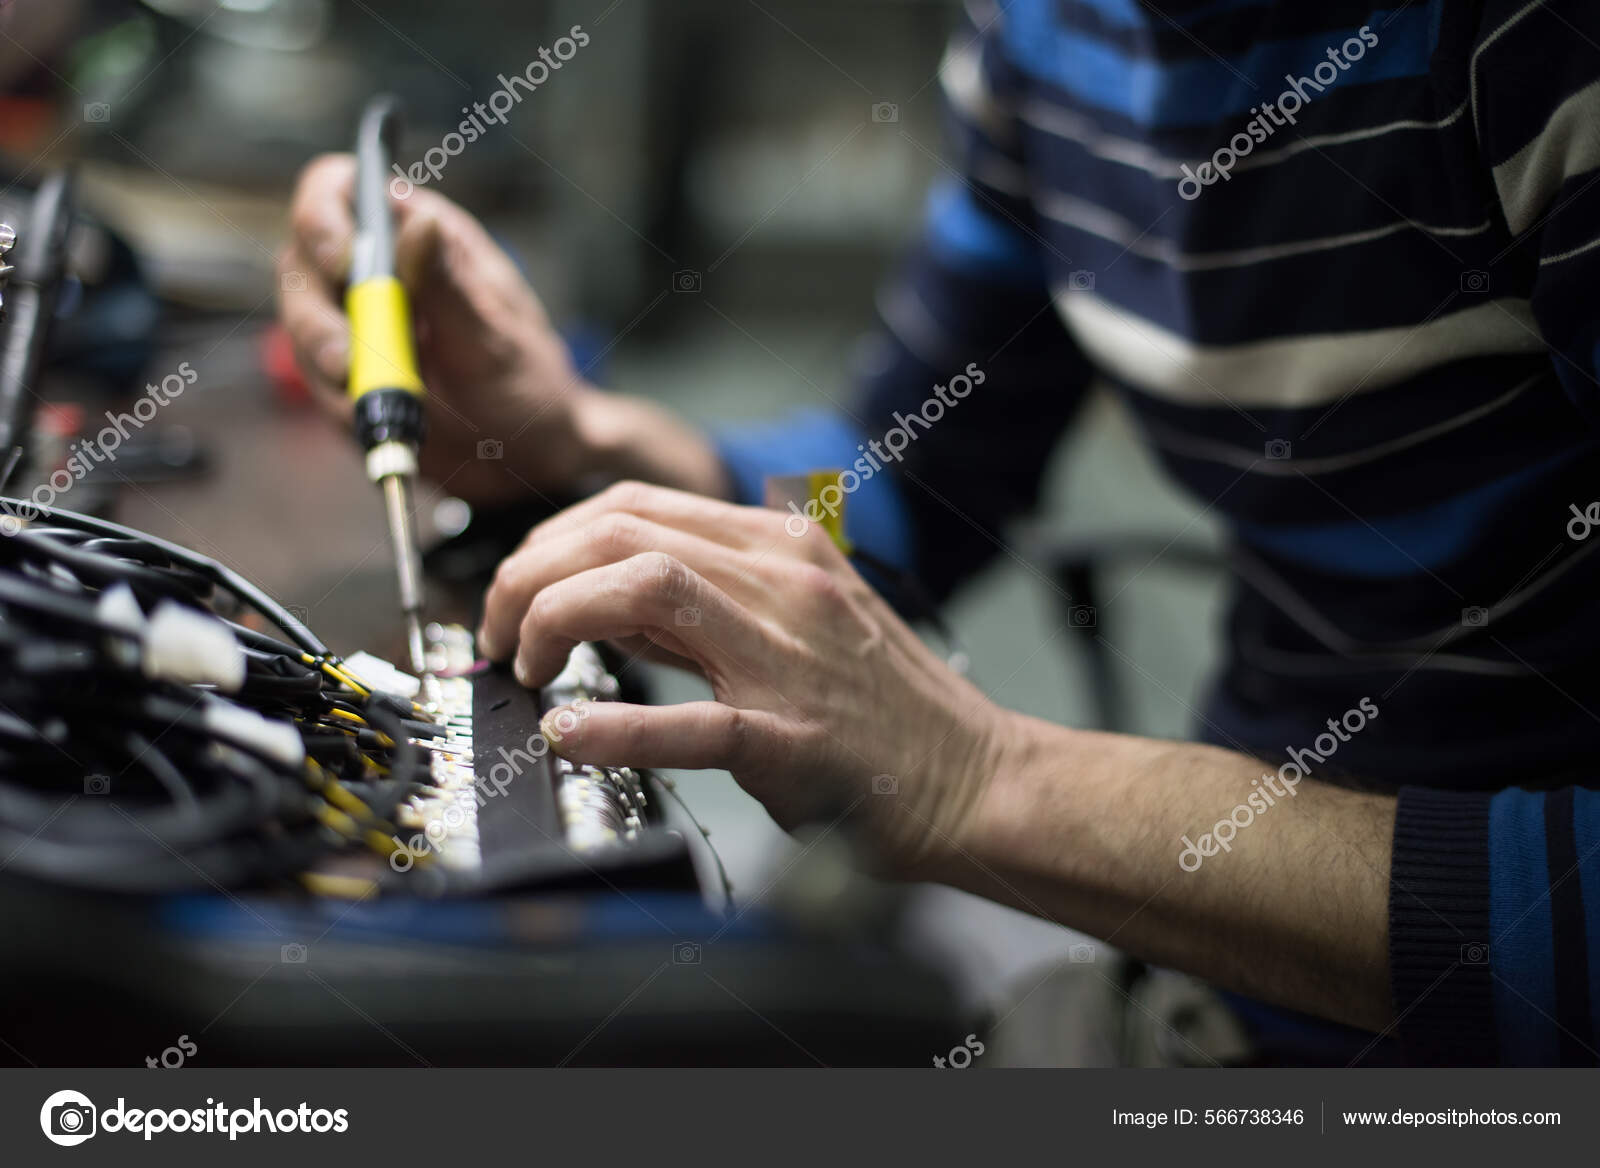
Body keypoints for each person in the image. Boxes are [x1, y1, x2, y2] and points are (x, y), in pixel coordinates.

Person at [278, 1, 1600, 1065]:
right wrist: (585, 437)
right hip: (1223, 970)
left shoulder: (1539, 50)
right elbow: (897, 486)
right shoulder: (1049, 33)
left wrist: (982, 781)